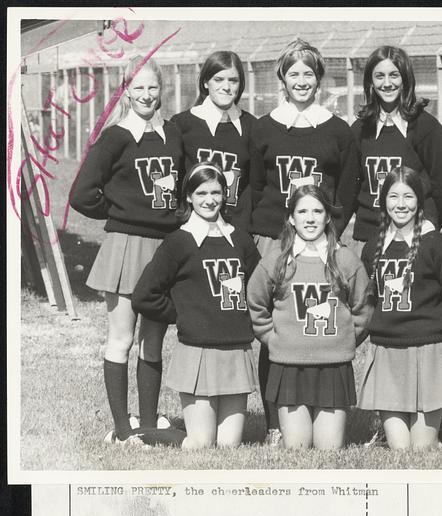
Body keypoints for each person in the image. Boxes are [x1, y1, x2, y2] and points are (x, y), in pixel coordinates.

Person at [249, 38, 360, 444]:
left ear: (319, 79)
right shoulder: (263, 128)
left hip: (320, 242)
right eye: (293, 73)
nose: (301, 81)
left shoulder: (336, 130)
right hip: (272, 242)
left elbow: (347, 189)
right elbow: (253, 188)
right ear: (281, 77)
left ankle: (320, 409)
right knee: (278, 333)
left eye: (308, 73)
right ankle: (275, 423)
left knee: (316, 325)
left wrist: (331, 234)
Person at [70, 55, 183, 444]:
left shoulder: (173, 134)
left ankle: (147, 425)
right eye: (138, 88)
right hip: (126, 246)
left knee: (153, 340)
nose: (146, 95)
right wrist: (122, 213)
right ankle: (122, 430)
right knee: (121, 337)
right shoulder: (116, 136)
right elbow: (82, 195)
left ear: (161, 90)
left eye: (152, 87)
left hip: (164, 248)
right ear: (126, 91)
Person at [132, 162, 260, 449]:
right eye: (201, 193)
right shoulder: (178, 242)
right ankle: (135, 436)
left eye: (216, 192)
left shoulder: (240, 240)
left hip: (235, 351)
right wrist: (183, 315)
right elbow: (144, 295)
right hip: (197, 353)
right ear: (188, 196)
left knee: (229, 447)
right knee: (201, 445)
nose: (209, 200)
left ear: (225, 195)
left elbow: (258, 289)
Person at [357, 166, 442, 450]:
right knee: (400, 450)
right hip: (387, 352)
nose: (401, 204)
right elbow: (367, 301)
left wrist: (437, 333)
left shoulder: (434, 243)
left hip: (427, 352)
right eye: (394, 196)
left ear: (420, 201)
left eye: (409, 196)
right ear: (383, 200)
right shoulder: (373, 247)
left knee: (422, 450)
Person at [247, 185, 371, 450]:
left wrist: (344, 338)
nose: (310, 218)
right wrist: (277, 338)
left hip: (333, 366)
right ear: (291, 217)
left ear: (328, 216)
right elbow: (256, 304)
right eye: (302, 211)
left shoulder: (346, 260)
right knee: (298, 449)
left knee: (329, 450)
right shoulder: (276, 261)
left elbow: (363, 307)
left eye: (317, 211)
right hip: (289, 366)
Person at [351, 45, 442, 247]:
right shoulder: (359, 130)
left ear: (405, 79)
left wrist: (427, 224)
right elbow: (351, 187)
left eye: (394, 75)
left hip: (412, 239)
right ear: (370, 82)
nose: (387, 83)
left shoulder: (427, 128)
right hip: (368, 239)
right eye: (379, 76)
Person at [171, 50, 255, 230]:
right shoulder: (181, 124)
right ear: (205, 82)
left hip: (236, 231)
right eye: (218, 79)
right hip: (190, 229)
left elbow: (253, 187)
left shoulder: (252, 126)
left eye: (233, 80)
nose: (226, 86)